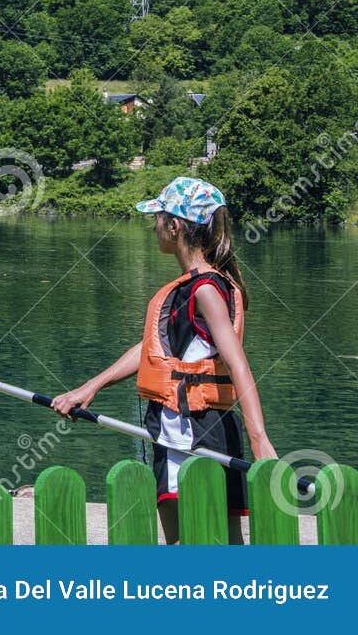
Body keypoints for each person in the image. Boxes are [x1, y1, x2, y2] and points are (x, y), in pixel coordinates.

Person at [51, 176, 275, 544]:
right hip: (171, 425)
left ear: (174, 226)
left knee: (219, 542)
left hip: (198, 427)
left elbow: (238, 365)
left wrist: (260, 440)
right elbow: (152, 351)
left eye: (158, 217)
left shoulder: (205, 289)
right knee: (180, 543)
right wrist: (88, 388)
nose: (153, 225)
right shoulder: (187, 287)